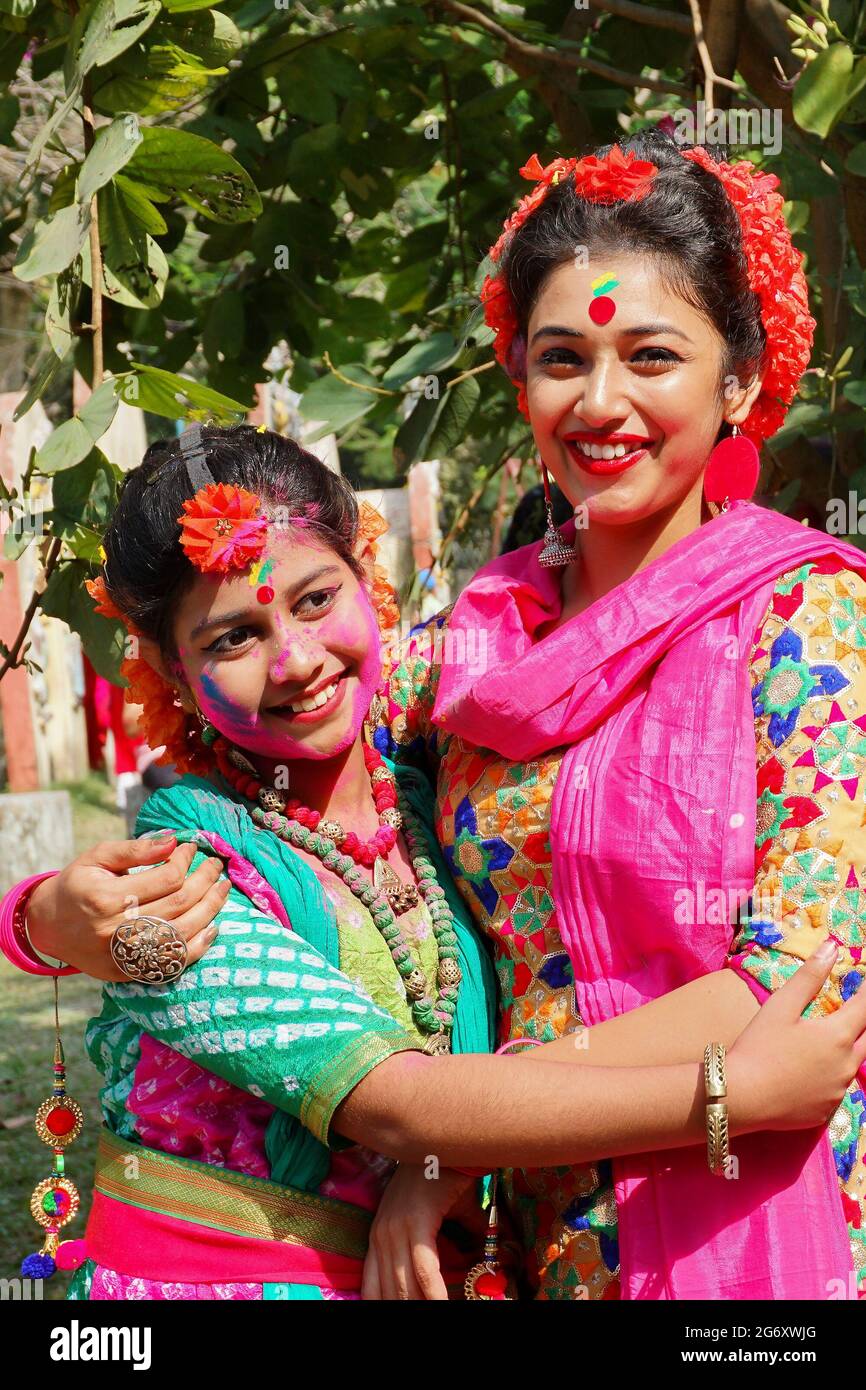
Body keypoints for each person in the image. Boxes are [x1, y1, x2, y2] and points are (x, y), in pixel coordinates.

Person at [5, 425, 866, 1305]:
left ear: (367, 578)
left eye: (313, 600)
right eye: (234, 638)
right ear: (169, 672)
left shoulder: (424, 772)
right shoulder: (187, 869)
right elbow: (399, 1105)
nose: (297, 659)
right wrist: (730, 1096)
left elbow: (581, 652)